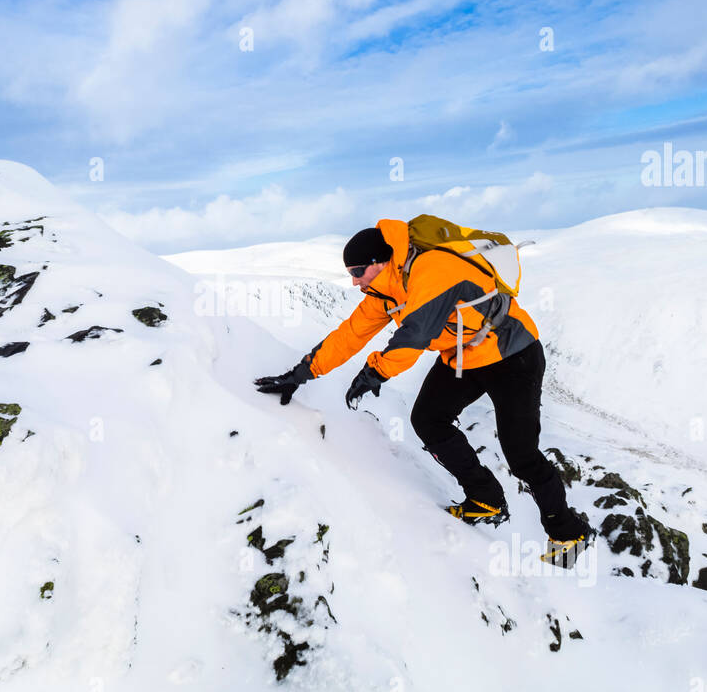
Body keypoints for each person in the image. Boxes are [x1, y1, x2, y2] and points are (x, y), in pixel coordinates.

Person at [253, 219, 594, 566]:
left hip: (513, 354)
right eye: (351, 274)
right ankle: (486, 498)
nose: (354, 282)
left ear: (380, 261)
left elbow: (412, 338)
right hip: (464, 356)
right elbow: (350, 335)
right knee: (428, 420)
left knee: (521, 454)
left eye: (358, 271)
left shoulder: (433, 270)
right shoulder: (386, 290)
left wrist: (374, 373)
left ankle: (568, 533)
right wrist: (301, 374)